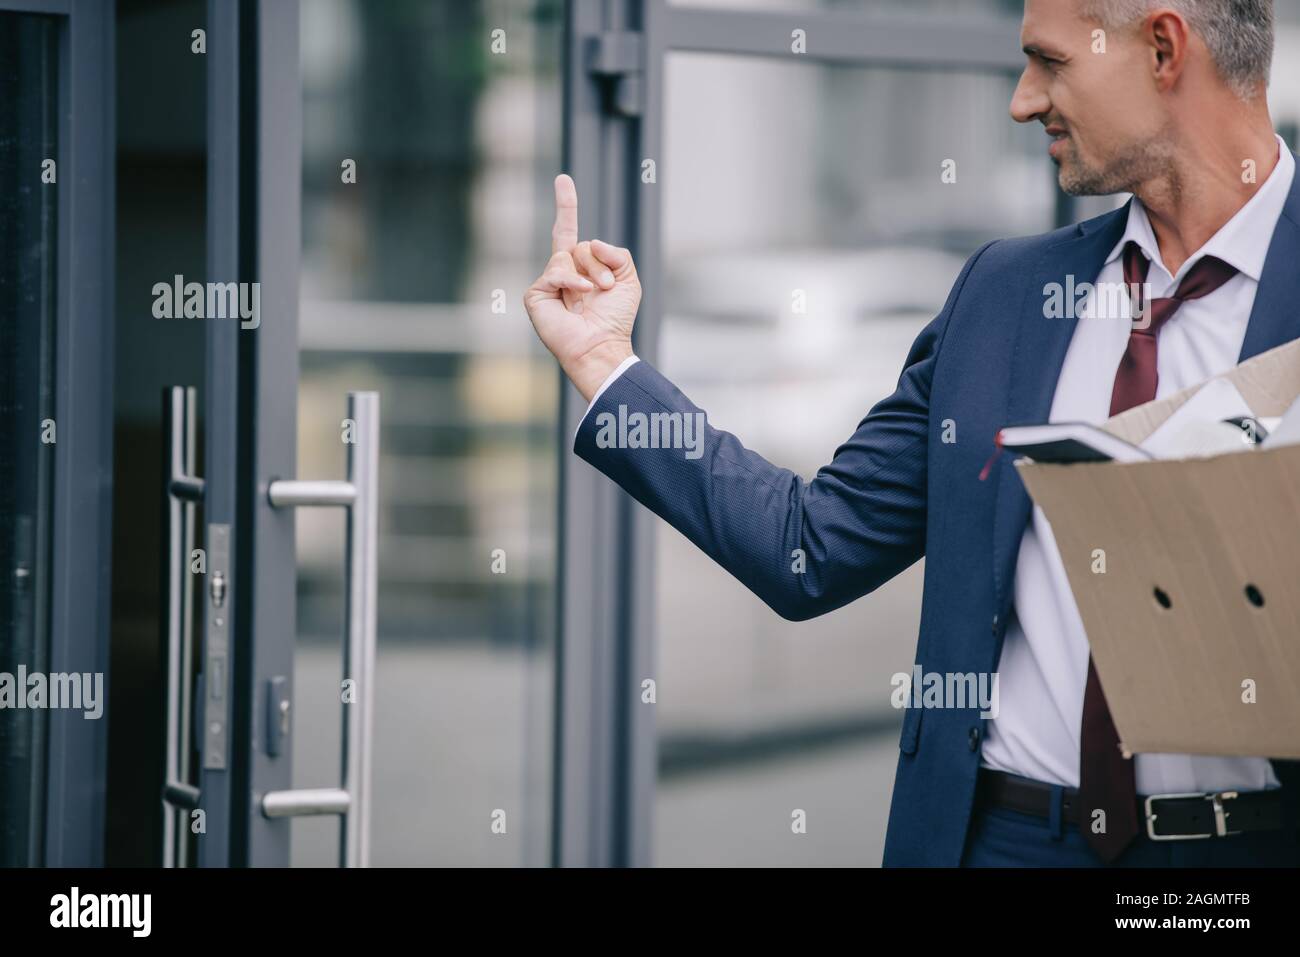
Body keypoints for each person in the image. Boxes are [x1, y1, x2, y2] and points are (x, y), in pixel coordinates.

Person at [522, 0, 1300, 866]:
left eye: (1050, 62)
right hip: (1000, 842)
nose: (1022, 99)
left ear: (1163, 48)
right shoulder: (1003, 298)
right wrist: (607, 370)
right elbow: (807, 546)